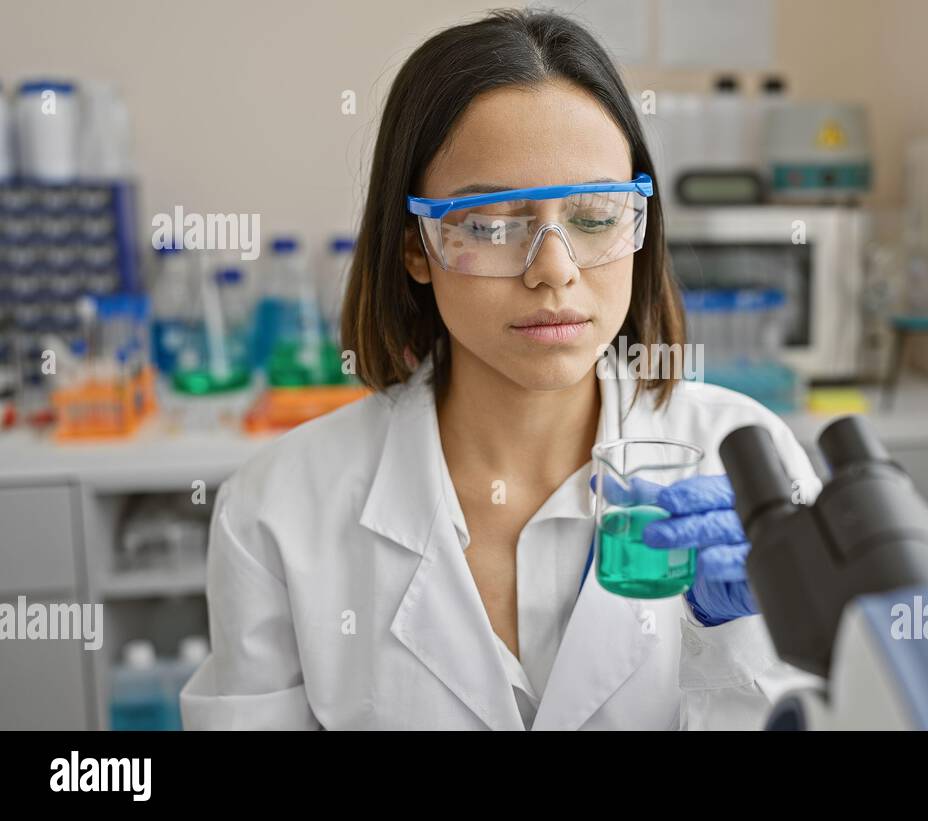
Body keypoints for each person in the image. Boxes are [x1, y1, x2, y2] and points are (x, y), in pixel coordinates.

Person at [181, 8, 820, 730]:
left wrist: (742, 637)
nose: (554, 270)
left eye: (596, 213)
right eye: (488, 223)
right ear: (415, 246)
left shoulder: (746, 456)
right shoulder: (276, 511)